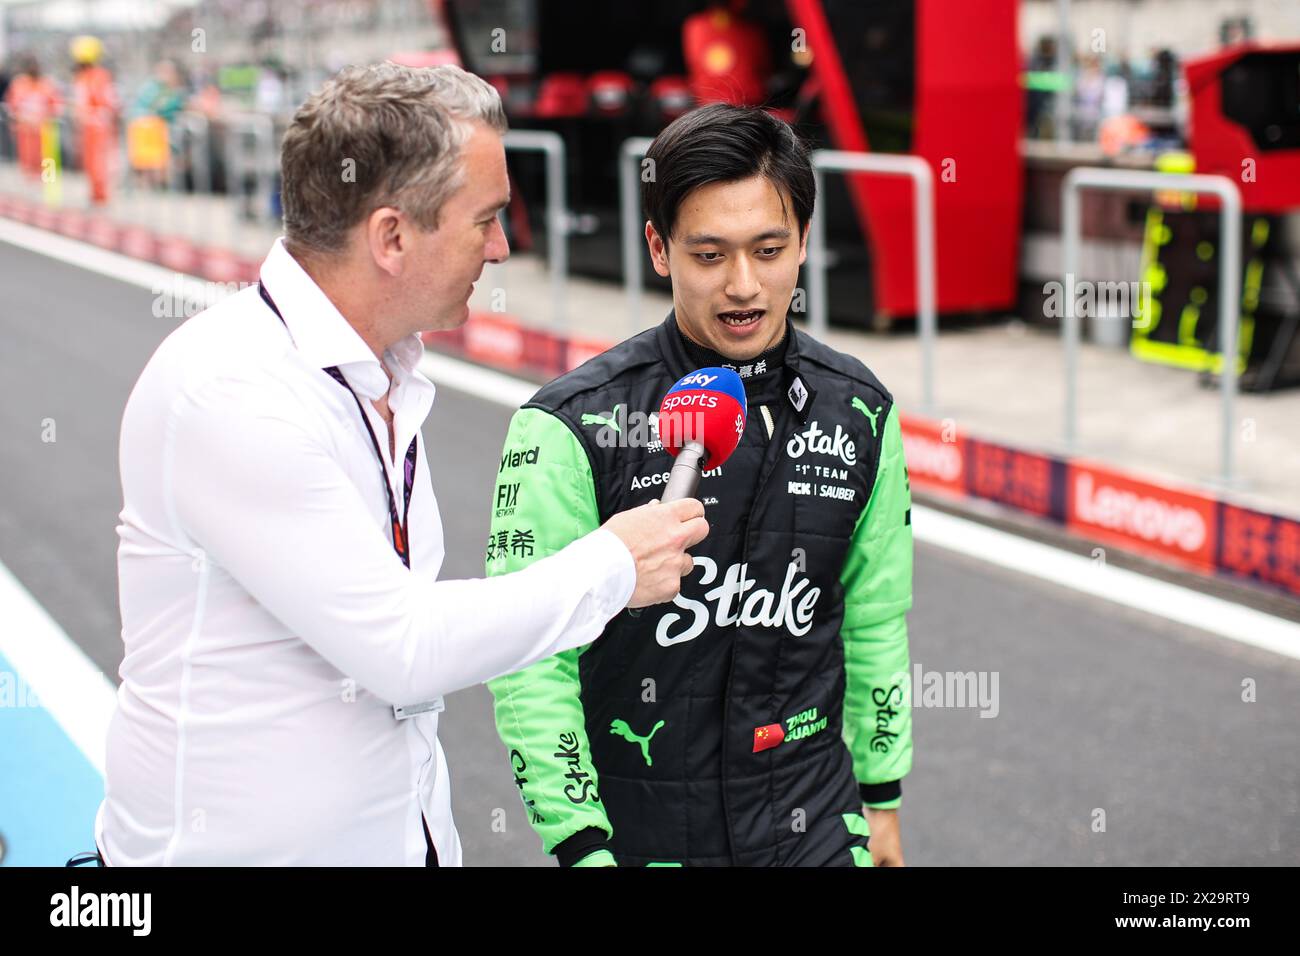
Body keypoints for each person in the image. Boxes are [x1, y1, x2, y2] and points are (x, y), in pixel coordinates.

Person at [97, 63, 708, 866]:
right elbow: (403, 647)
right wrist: (612, 566)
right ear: (391, 237)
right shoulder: (231, 390)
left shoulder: (381, 369)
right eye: (486, 220)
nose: (502, 245)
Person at [486, 103, 913, 867]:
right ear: (660, 247)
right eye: (710, 255)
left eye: (770, 249)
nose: (743, 285)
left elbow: (876, 617)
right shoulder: (569, 423)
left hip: (814, 825)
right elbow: (530, 656)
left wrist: (881, 800)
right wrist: (579, 843)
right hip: (640, 833)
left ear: (804, 242)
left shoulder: (861, 410)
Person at [69, 36, 119, 205]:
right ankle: (96, 194)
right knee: (93, 162)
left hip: (96, 125)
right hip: (92, 124)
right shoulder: (88, 77)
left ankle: (100, 195)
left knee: (98, 162)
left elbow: (107, 100)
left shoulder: (95, 77)